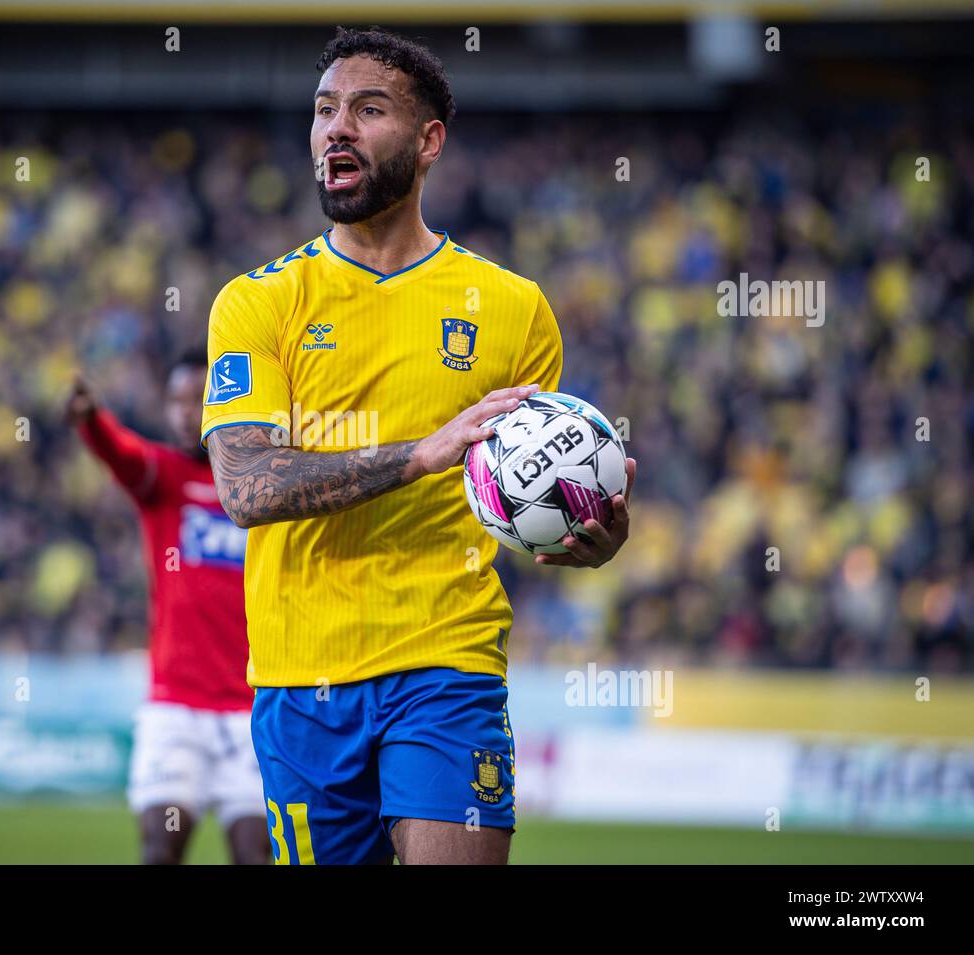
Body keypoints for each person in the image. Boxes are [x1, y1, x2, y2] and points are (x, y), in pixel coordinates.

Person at [200, 28, 636, 865]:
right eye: (325, 111)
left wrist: (584, 538)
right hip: (301, 678)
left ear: (429, 140)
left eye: (368, 110)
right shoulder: (256, 303)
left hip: (447, 663)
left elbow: (521, 497)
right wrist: (421, 453)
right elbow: (247, 487)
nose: (337, 129)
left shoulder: (515, 310)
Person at [67, 350, 269, 865]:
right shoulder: (165, 477)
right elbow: (123, 454)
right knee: (161, 849)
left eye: (198, 400)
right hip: (175, 707)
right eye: (176, 400)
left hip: (252, 707)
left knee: (255, 855)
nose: (185, 412)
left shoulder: (266, 489)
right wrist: (94, 421)